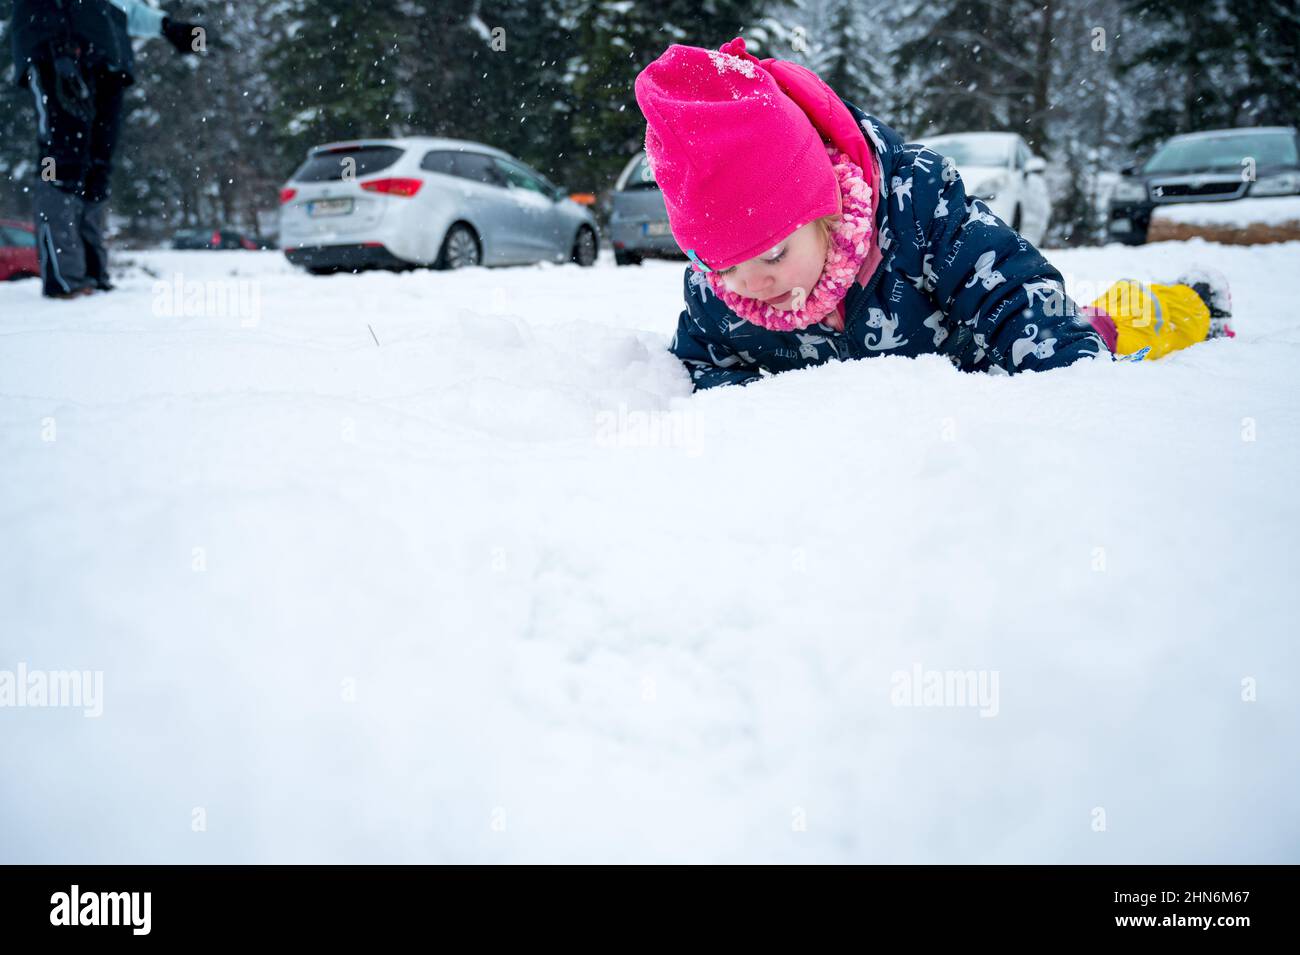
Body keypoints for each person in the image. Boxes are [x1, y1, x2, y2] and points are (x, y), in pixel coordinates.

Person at [634, 38, 1233, 392]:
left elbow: (1014, 292)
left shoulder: (917, 208)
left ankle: (1191, 301)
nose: (752, 285)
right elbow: (705, 369)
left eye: (771, 254)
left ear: (824, 208)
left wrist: (1069, 388)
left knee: (1105, 322)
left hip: (996, 357)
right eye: (721, 265)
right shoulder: (721, 296)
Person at [11, 0, 207, 299]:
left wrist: (166, 27)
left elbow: (122, 6)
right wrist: (57, 45)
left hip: (106, 62)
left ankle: (91, 272)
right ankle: (64, 277)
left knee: (97, 167)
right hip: (53, 52)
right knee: (58, 160)